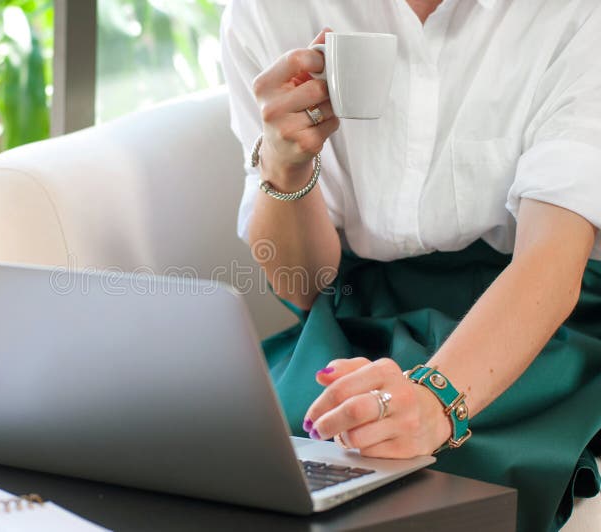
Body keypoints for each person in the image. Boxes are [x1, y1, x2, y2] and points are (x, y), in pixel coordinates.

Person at [220, 1, 601, 530]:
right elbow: (304, 286)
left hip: (537, 325)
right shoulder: (266, 12)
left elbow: (551, 262)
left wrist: (436, 400)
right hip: (360, 317)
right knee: (258, 455)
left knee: (438, 479)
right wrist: (286, 165)